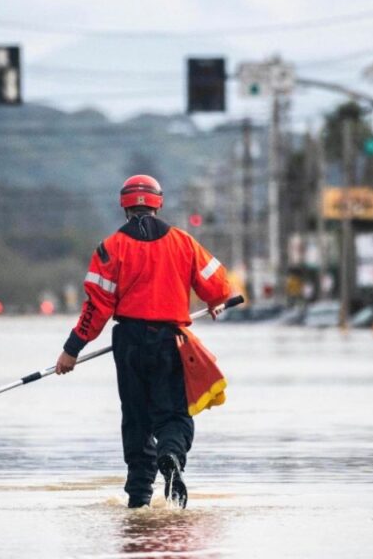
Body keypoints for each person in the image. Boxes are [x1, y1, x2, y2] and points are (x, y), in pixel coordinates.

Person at [54, 174, 233, 509]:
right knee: (174, 416)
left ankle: (138, 498)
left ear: (124, 205)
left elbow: (97, 309)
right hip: (170, 340)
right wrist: (213, 301)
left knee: (136, 419)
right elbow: (219, 286)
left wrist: (71, 350)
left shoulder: (110, 249)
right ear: (158, 202)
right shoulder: (184, 242)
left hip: (129, 343)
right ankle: (171, 456)